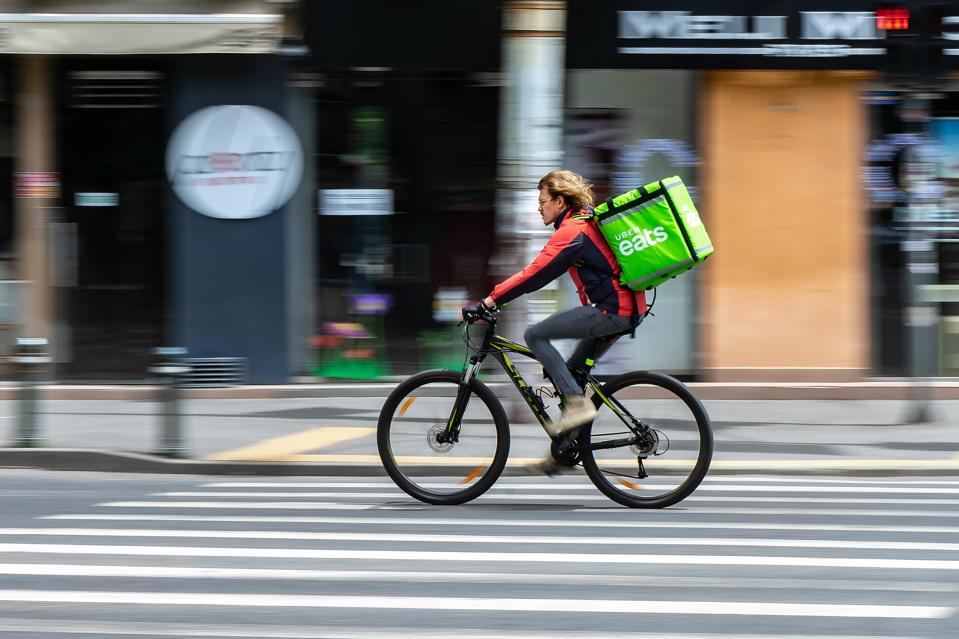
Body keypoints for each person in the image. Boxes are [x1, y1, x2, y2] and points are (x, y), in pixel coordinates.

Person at [464, 170, 647, 473]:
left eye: (543, 201)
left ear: (560, 201)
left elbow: (534, 275)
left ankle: (576, 404)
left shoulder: (573, 231)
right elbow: (542, 275)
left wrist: (489, 302)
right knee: (572, 374)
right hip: (627, 310)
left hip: (611, 311)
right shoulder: (584, 223)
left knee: (535, 335)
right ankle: (564, 452)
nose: (539, 207)